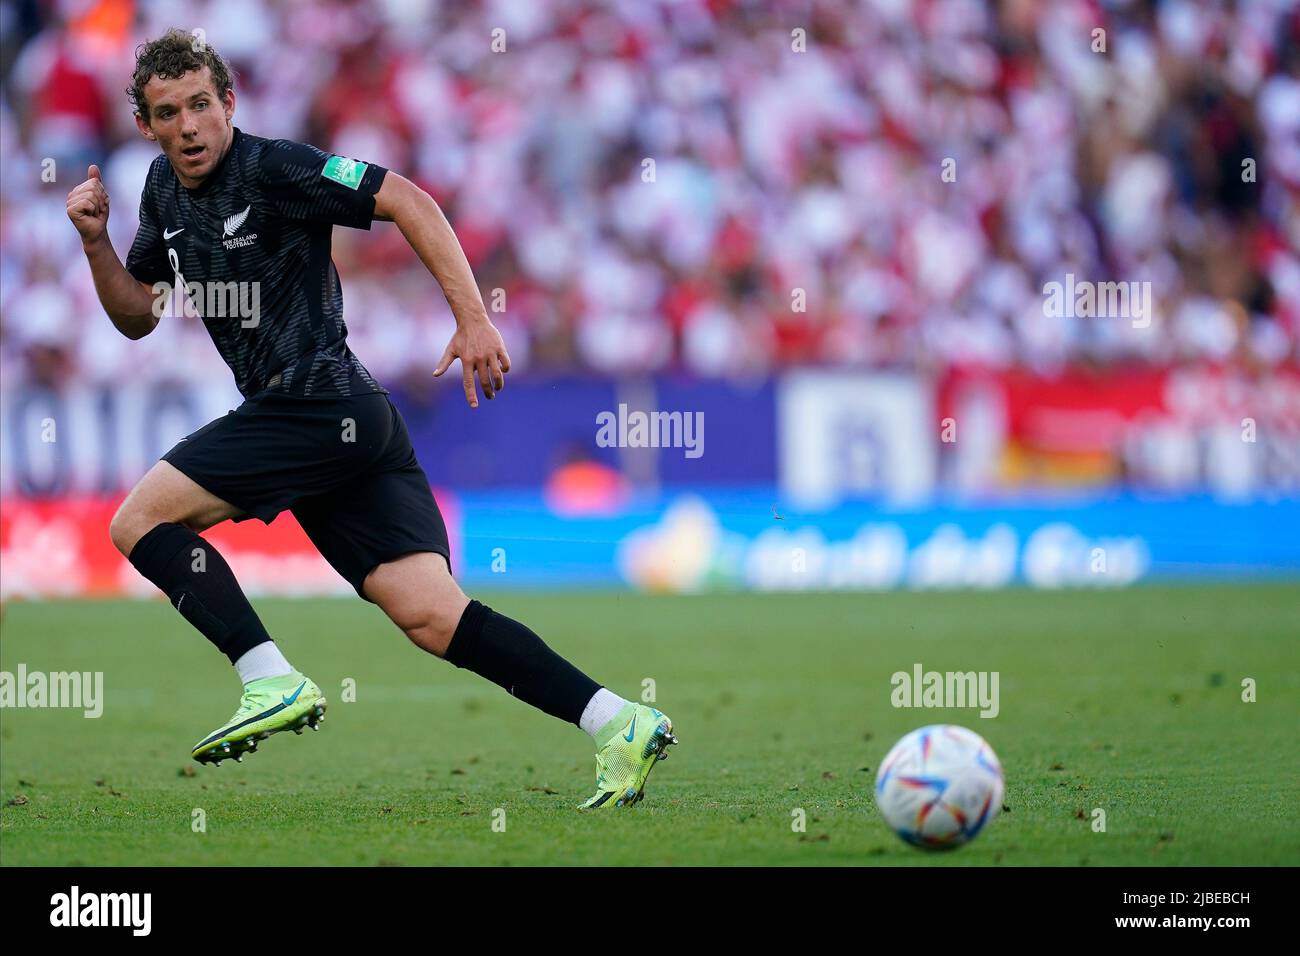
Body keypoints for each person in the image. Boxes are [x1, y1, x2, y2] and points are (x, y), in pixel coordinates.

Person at [64, 29, 674, 809]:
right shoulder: (159, 190)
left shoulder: (277, 167)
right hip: (333, 422)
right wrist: (93, 245)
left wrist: (473, 318)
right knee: (431, 616)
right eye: (166, 113)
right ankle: (617, 721)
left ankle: (267, 676)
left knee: (137, 521)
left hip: (318, 400)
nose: (187, 126)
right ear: (146, 125)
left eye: (199, 106)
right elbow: (138, 316)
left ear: (229, 103)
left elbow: (406, 198)